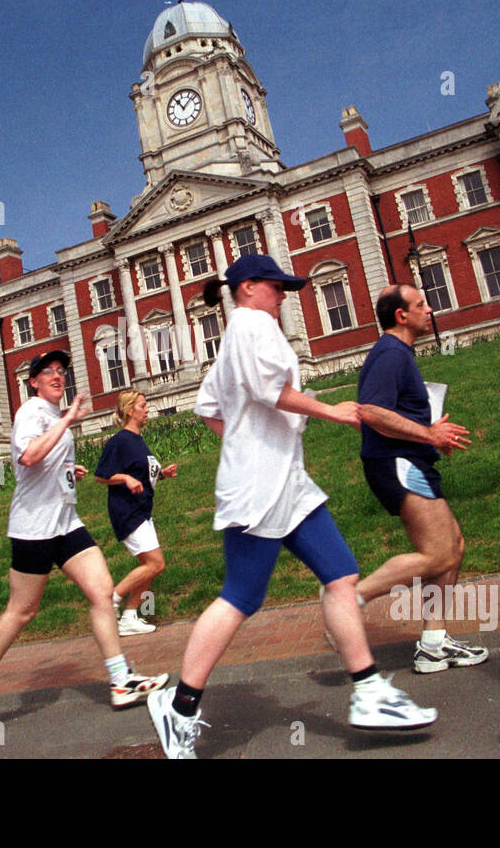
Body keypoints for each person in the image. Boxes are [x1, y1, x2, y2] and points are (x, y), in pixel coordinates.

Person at [148, 255, 436, 760]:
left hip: (286, 483)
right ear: (249, 288)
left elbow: (210, 409)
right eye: (277, 286)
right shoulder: (252, 326)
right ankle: (180, 707)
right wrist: (328, 411)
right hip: (260, 489)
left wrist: (247, 441)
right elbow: (267, 392)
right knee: (241, 596)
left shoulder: (238, 334)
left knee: (342, 576)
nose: (283, 295)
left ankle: (368, 692)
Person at [0, 350, 168, 739]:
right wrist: (69, 419)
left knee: (103, 593)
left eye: (61, 371)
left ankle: (120, 680)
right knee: (22, 611)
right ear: (33, 381)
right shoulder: (31, 413)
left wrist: (69, 469)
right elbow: (28, 455)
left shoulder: (53, 417)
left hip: (67, 523)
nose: (57, 376)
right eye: (48, 372)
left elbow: (46, 463)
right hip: (33, 529)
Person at [350, 284, 488, 673]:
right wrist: (427, 435)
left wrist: (429, 435)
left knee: (453, 546)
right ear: (401, 315)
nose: (429, 309)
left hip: (411, 459)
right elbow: (371, 411)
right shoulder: (391, 353)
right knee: (438, 553)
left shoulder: (399, 353)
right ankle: (350, 598)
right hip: (396, 462)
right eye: (421, 304)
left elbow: (394, 412)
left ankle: (433, 644)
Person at [93, 391, 177, 635]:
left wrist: (162, 474)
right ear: (130, 411)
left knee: (147, 567)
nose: (147, 409)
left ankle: (129, 618)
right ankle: (111, 601)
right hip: (127, 512)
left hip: (142, 510)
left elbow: (142, 474)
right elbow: (100, 475)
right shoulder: (120, 440)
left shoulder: (138, 440)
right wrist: (125, 478)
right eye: (143, 405)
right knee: (156, 564)